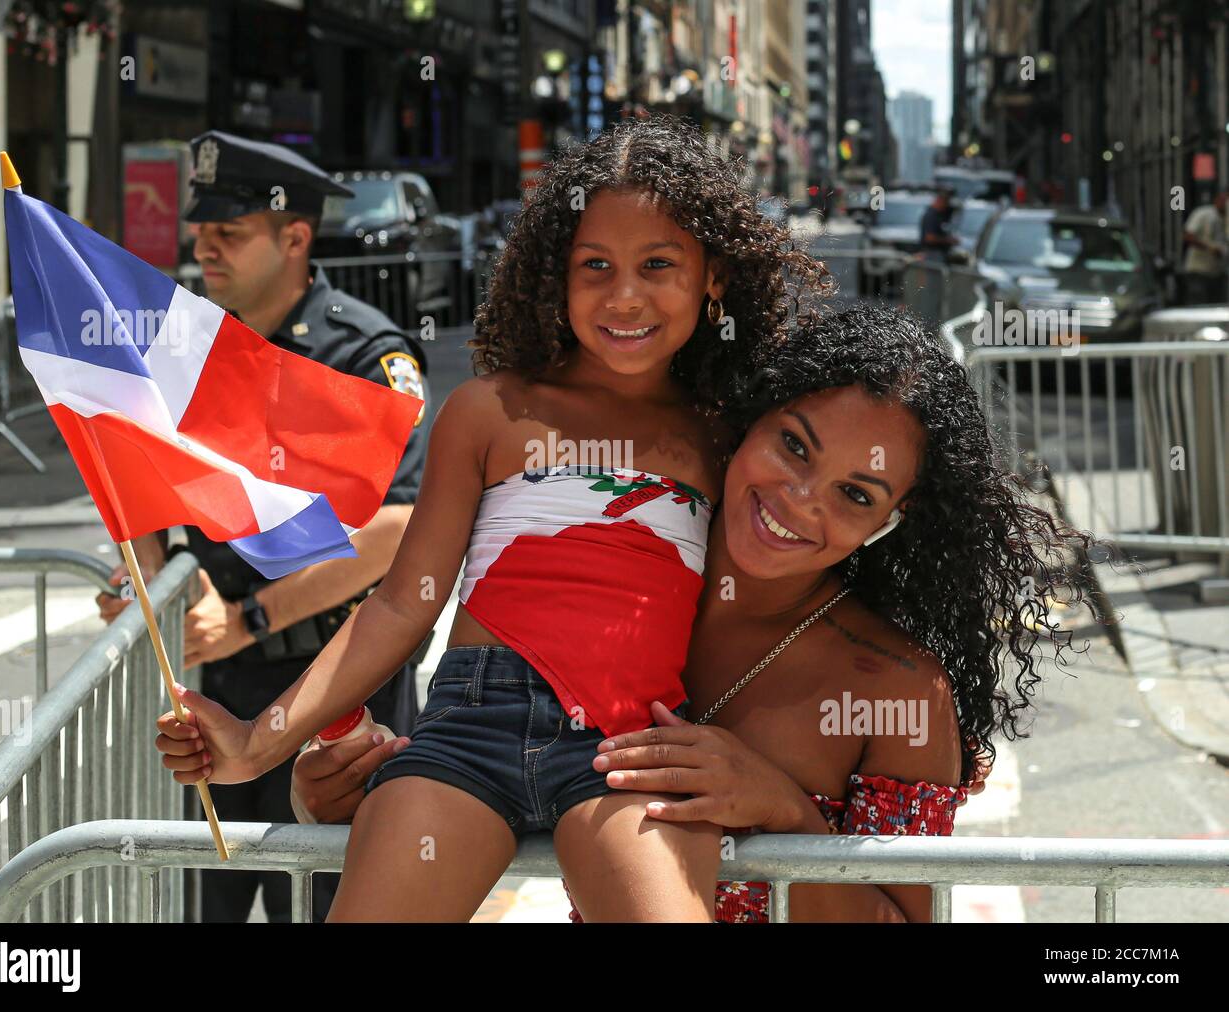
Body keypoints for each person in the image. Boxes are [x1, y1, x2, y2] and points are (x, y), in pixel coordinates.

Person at [153, 114, 832, 921]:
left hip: (630, 747)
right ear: (556, 273)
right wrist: (256, 742)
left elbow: (766, 604)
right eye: (595, 266)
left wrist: (767, 775)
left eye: (658, 265)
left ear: (713, 275)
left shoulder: (728, 436)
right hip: (466, 735)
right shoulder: (488, 413)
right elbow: (405, 602)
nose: (624, 295)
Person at [289, 305, 1093, 922]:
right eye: (795, 446)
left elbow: (903, 921)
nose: (798, 500)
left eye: (855, 494)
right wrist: (361, 794)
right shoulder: (613, 579)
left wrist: (785, 813)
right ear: (744, 427)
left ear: (890, 521)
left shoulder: (900, 689)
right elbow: (503, 765)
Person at [102, 131, 431, 922]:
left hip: (340, 698)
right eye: (201, 228)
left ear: (294, 236)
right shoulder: (186, 350)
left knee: (335, 905)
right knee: (211, 904)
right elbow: (145, 491)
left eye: (229, 231)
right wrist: (144, 585)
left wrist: (251, 619)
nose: (202, 246)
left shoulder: (363, 355)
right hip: (220, 702)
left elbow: (399, 526)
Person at [1181, 190, 1228, 305]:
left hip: (1218, 272)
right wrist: (1209, 248)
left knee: (1216, 305)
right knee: (1199, 304)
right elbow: (1188, 236)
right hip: (1198, 271)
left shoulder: (1225, 219)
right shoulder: (1204, 213)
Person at [919, 187, 957, 260]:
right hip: (932, 253)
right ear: (940, 201)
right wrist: (948, 240)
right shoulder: (931, 216)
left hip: (937, 252)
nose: (946, 206)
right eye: (945, 202)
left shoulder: (939, 214)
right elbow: (930, 238)